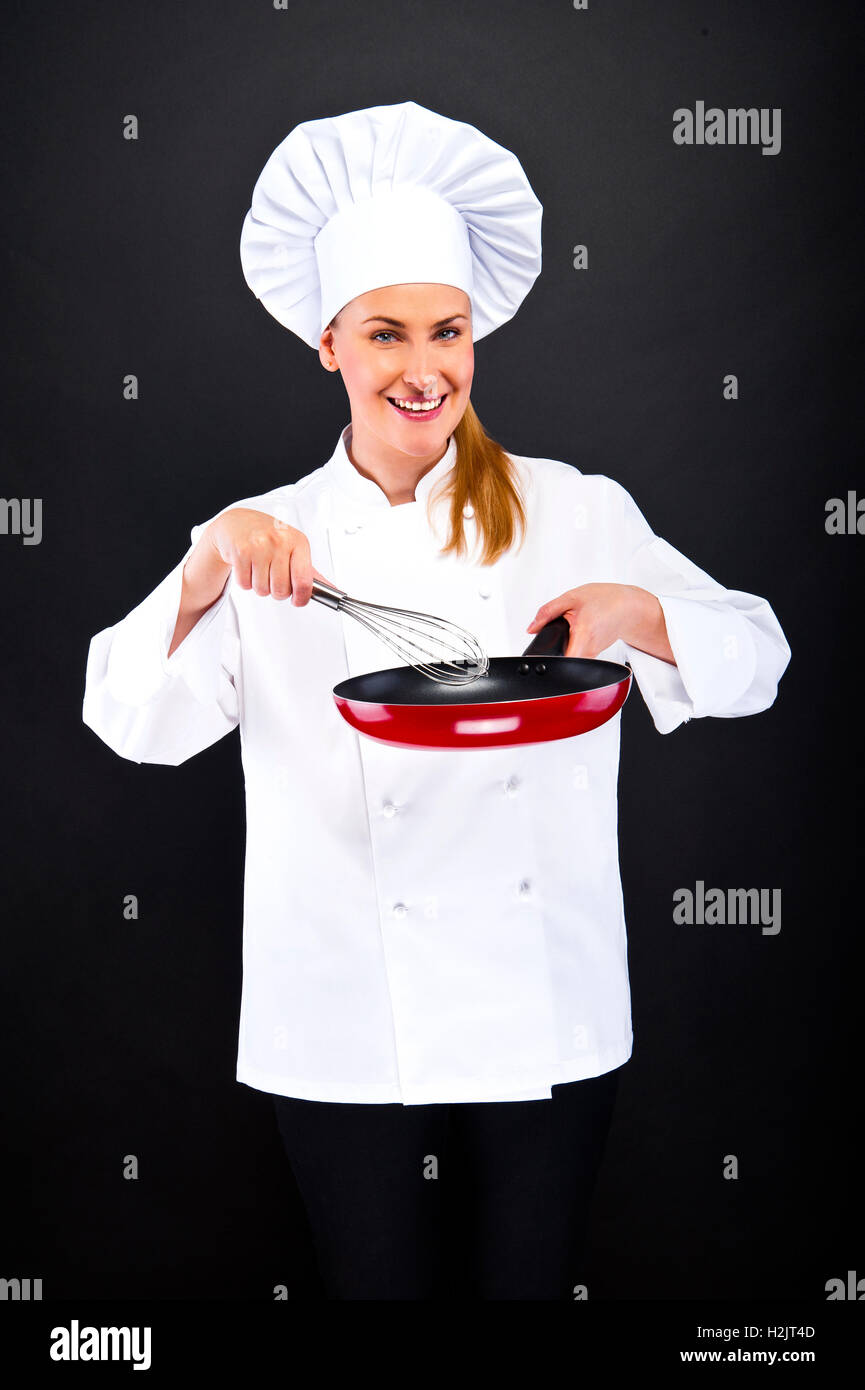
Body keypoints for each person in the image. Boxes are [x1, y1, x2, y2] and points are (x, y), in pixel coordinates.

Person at [82, 101, 791, 1300]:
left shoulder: (572, 507)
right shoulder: (267, 537)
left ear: (476, 335)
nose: (424, 370)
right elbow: (126, 717)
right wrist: (202, 568)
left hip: (542, 1003)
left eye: (447, 332)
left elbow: (758, 656)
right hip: (346, 1010)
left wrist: (635, 612)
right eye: (386, 334)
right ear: (329, 344)